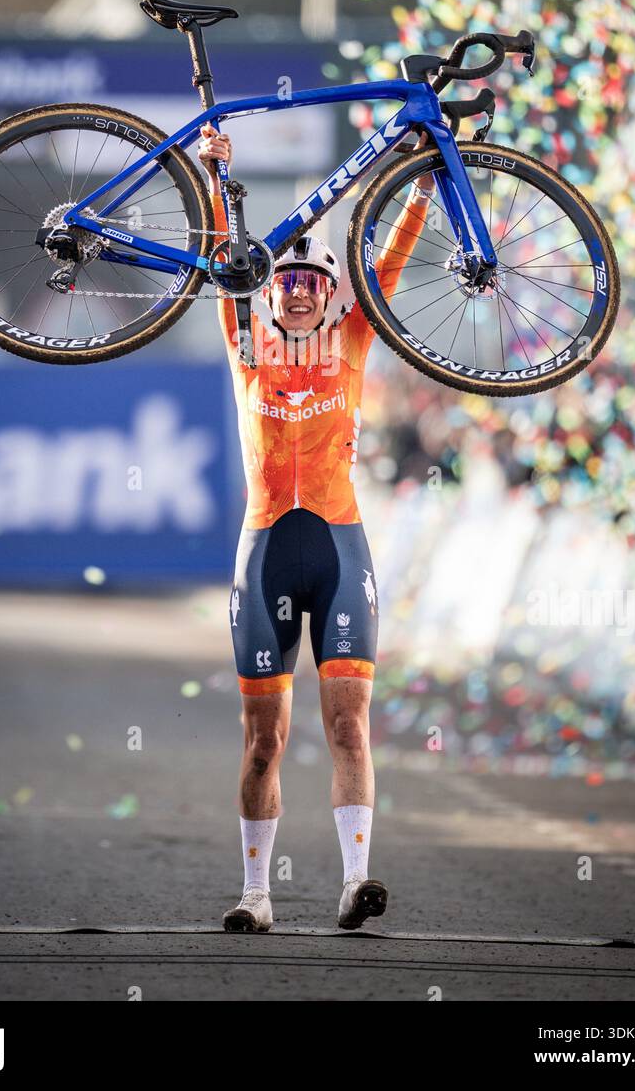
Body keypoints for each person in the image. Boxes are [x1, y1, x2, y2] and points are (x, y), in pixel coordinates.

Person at [198, 121, 436, 933]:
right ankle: (256, 896)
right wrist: (215, 176)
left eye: (311, 280)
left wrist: (425, 189)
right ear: (271, 293)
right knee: (262, 741)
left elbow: (392, 266)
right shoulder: (244, 344)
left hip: (338, 547)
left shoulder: (354, 338)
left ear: (330, 293)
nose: (297, 289)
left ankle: (354, 884)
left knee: (347, 725)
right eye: (286, 279)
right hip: (265, 551)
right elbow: (226, 257)